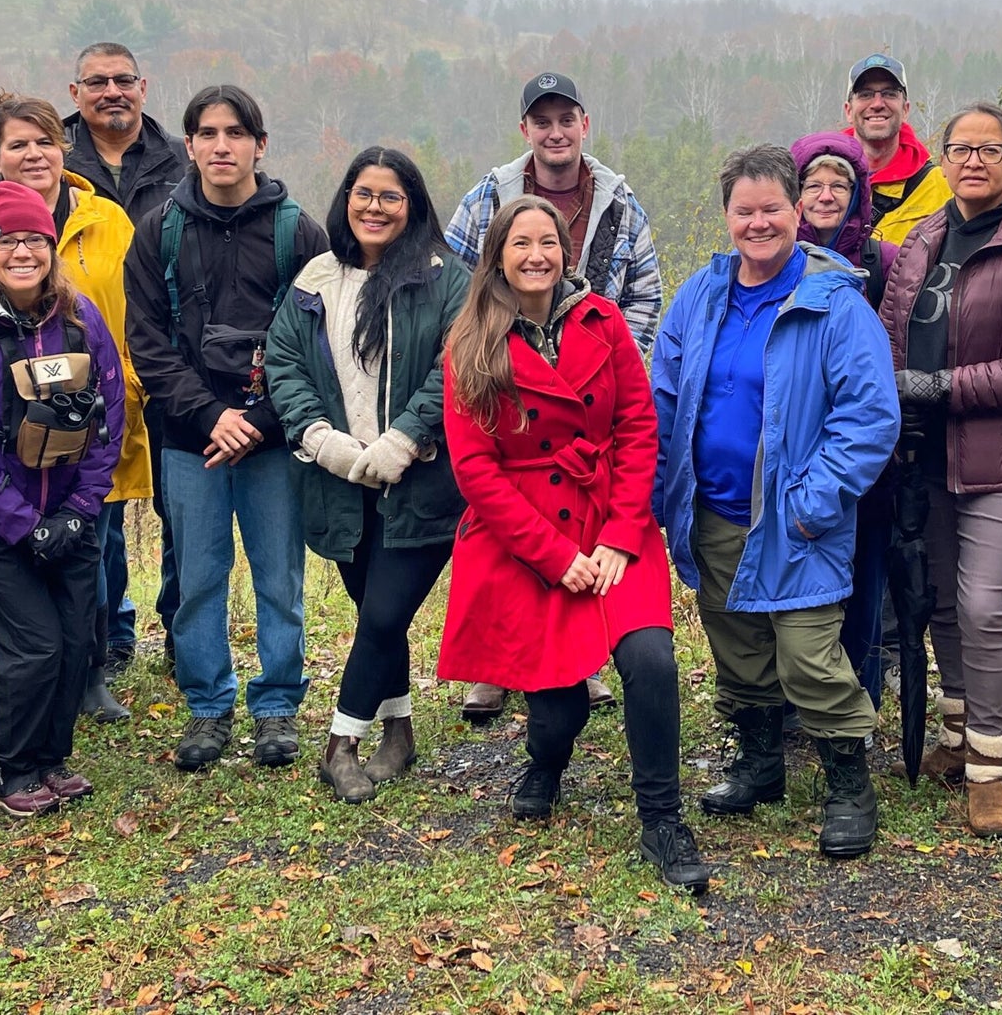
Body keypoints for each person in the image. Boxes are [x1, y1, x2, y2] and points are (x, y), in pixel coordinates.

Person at [436, 197, 714, 890]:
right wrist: (557, 559)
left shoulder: (604, 320)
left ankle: (661, 821)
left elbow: (637, 429)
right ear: (497, 255)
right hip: (528, 536)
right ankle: (546, 760)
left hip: (609, 520)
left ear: (567, 252)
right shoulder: (469, 340)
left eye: (549, 243)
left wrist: (622, 536)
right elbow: (475, 469)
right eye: (521, 243)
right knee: (557, 697)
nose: (536, 256)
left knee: (649, 660)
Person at [653, 145, 899, 859]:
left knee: (809, 658)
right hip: (713, 512)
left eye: (771, 209)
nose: (758, 223)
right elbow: (666, 396)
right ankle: (760, 767)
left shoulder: (835, 303)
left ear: (797, 211)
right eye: (744, 210)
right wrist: (664, 491)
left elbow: (869, 417)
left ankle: (849, 787)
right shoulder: (701, 295)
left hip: (796, 519)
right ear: (726, 215)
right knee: (739, 650)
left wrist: (809, 502)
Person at [878, 104, 1002, 837]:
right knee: (936, 602)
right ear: (943, 158)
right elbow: (892, 338)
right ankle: (958, 734)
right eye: (960, 148)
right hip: (921, 452)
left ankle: (992, 770)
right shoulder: (924, 237)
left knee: (982, 606)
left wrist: (942, 388)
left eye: (988, 150)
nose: (972, 161)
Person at [0, 92, 150, 725]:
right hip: (3, 444)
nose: (33, 154)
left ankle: (90, 672)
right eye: (17, 144)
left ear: (62, 146)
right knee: (24, 560)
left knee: (97, 543)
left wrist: (122, 391)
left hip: (92, 424)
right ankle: (33, 685)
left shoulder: (107, 220)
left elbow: (132, 314)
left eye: (44, 141)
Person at [445, 73, 662, 722]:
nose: (555, 130)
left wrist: (614, 358)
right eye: (543, 121)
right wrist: (483, 339)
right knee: (519, 538)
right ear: (526, 131)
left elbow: (646, 289)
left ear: (584, 124)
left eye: (566, 118)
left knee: (588, 547)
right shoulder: (491, 193)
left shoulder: (618, 200)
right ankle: (499, 669)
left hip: (591, 379)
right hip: (507, 369)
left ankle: (584, 662)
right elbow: (456, 266)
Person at [124, 85, 327, 773]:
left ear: (259, 145)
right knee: (200, 579)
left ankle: (276, 707)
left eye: (235, 133)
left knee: (278, 577)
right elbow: (146, 342)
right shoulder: (158, 231)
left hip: (274, 442)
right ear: (188, 146)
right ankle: (208, 707)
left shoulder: (299, 232)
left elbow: (317, 344)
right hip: (189, 439)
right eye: (206, 133)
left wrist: (259, 421)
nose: (220, 146)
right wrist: (213, 417)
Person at [267, 148, 469, 801]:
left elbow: (457, 366)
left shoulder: (446, 278)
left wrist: (404, 439)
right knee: (380, 616)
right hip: (338, 483)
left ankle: (340, 744)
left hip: (424, 483)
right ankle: (400, 734)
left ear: (412, 205)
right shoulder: (316, 278)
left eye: (390, 196)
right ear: (345, 199)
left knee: (383, 613)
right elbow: (283, 362)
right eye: (364, 193)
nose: (375, 207)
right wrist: (321, 440)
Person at [0, 181, 125, 816]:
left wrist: (79, 509)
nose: (21, 252)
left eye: (34, 239)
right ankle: (8, 762)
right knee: (31, 646)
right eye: (6, 240)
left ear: (51, 247)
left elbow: (109, 416)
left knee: (73, 641)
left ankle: (50, 758)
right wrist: (21, 523)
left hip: (70, 515)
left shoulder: (80, 317)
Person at [62, 42, 187, 678]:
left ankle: (180, 625)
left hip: (169, 358)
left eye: (122, 80)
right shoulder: (54, 163)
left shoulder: (179, 160)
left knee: (179, 505)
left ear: (144, 85)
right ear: (75, 92)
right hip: (84, 366)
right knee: (97, 506)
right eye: (96, 82)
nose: (111, 91)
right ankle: (109, 632)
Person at [789, 132, 898, 704]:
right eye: (813, 184)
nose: (826, 195)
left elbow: (903, 343)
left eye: (840, 184)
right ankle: (791, 702)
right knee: (794, 578)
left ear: (860, 195)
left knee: (864, 582)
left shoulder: (886, 263)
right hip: (791, 446)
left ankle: (861, 701)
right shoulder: (773, 260)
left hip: (864, 454)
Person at [841, 55, 952, 247]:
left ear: (906, 110)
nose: (877, 104)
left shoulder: (941, 186)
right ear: (849, 111)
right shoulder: (818, 181)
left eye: (890, 93)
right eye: (865, 94)